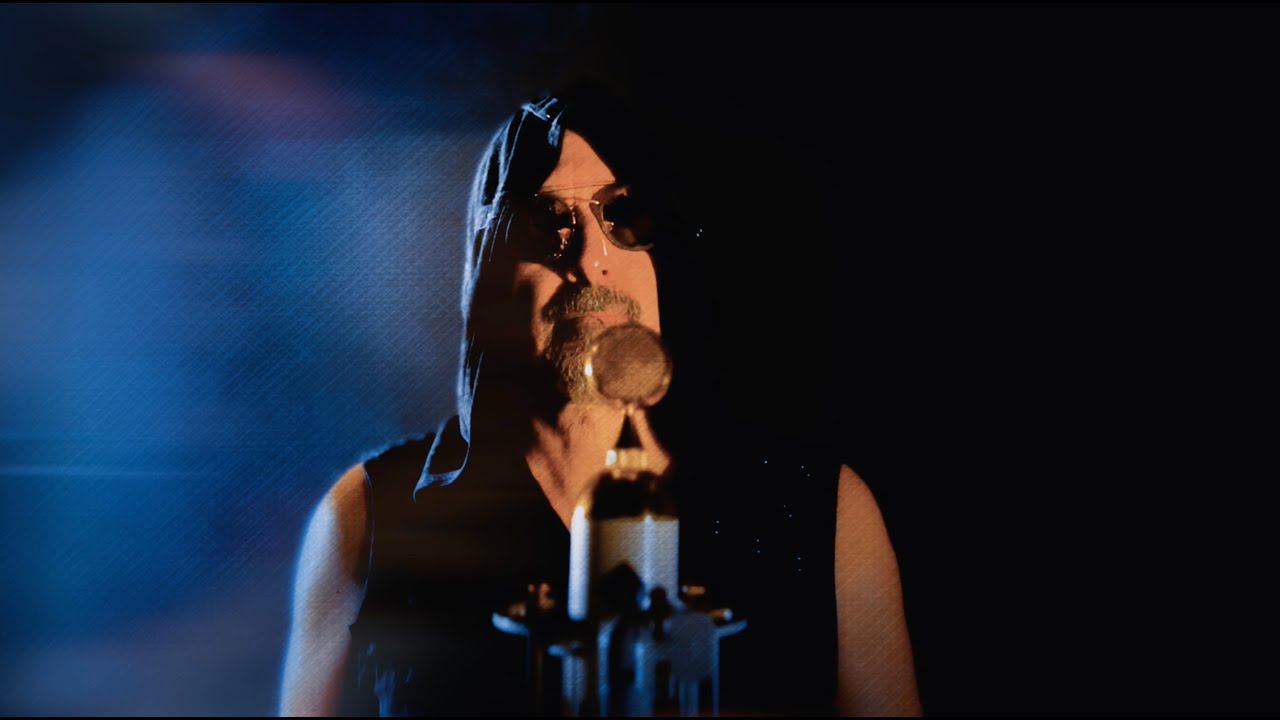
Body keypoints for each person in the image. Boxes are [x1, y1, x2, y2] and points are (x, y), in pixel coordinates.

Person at [278, 83, 922, 717]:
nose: (590, 261)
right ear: (489, 264)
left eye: (625, 217)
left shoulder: (819, 515)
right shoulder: (368, 519)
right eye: (545, 224)